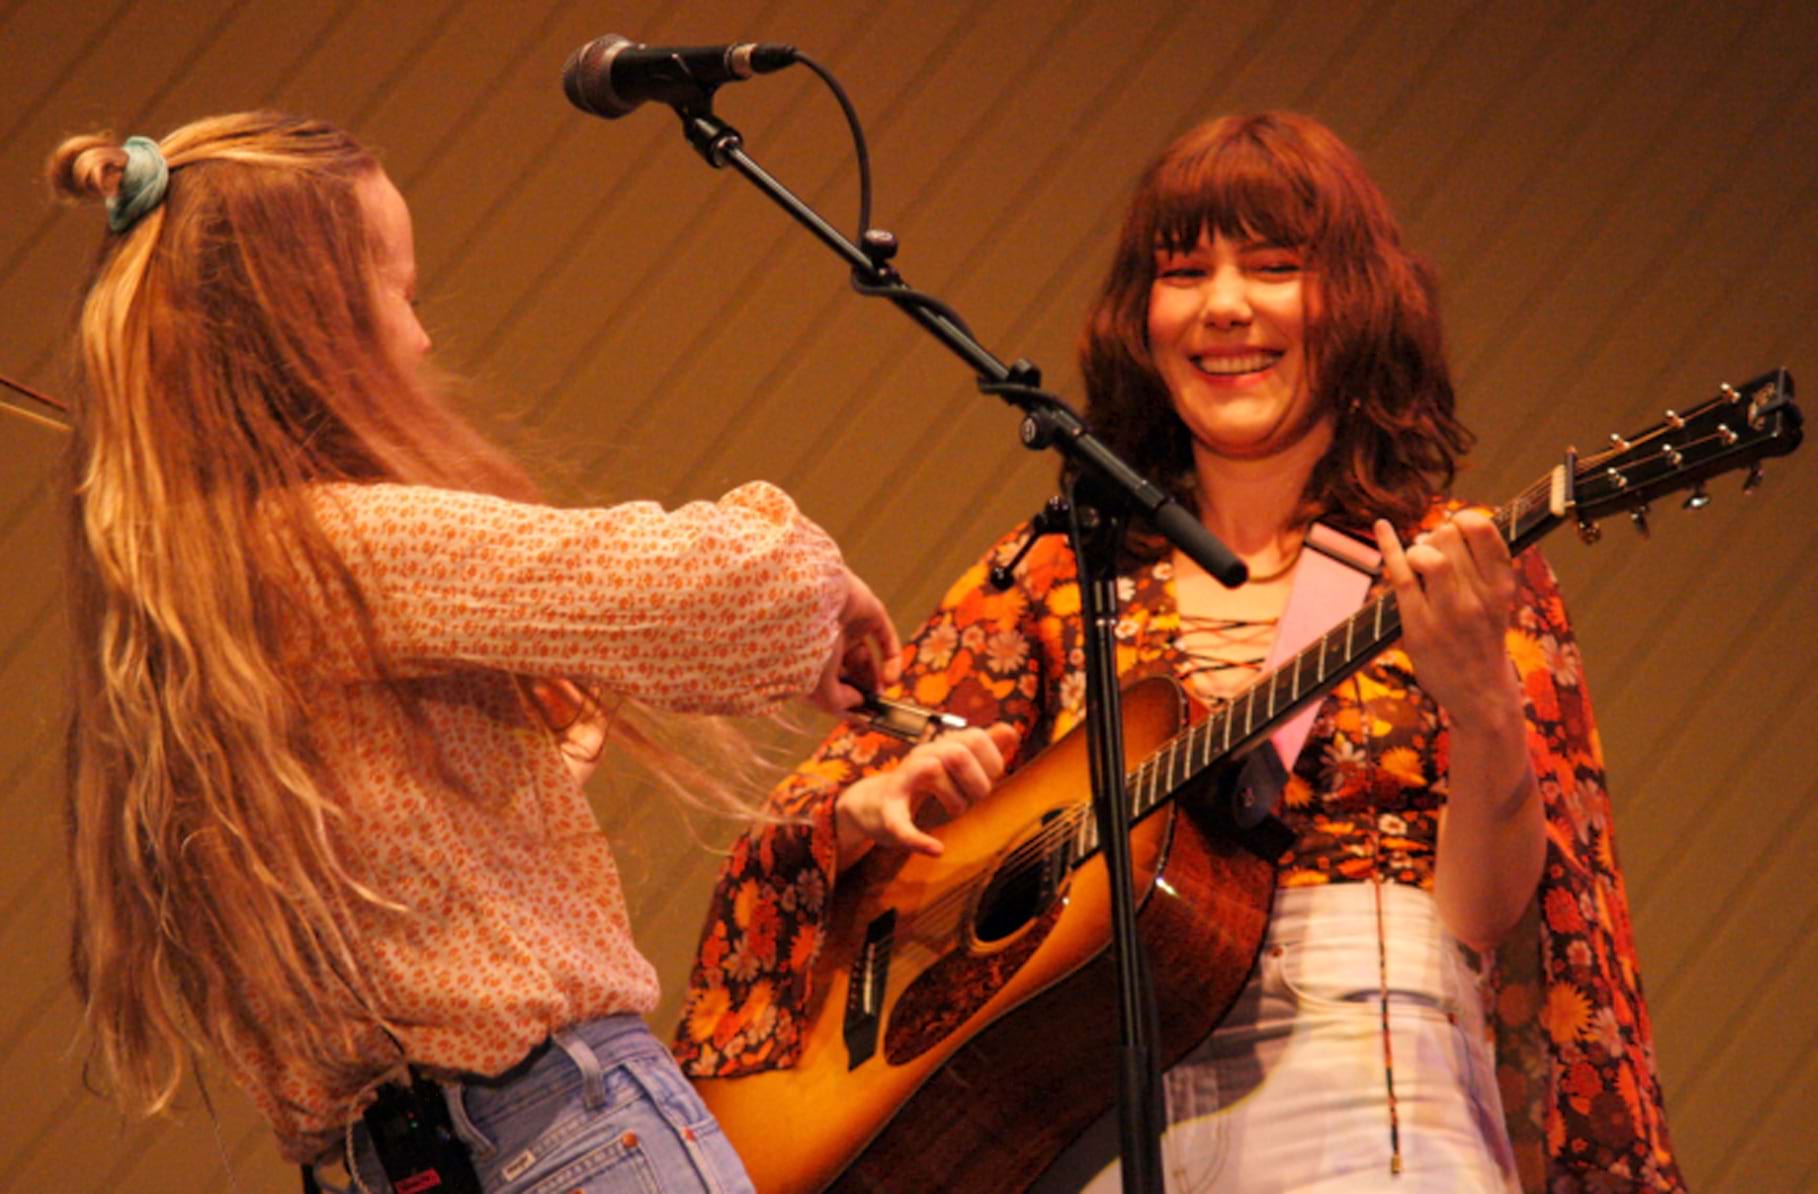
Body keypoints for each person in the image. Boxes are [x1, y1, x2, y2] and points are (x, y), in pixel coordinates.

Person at [674, 112, 1683, 1191]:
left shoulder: (1448, 566)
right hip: (1086, 1099)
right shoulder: (1062, 567)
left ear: (1358, 304)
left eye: (1277, 266)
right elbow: (839, 803)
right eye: (1184, 271)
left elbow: (1489, 919)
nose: (1226, 306)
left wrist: (1482, 704)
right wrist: (873, 816)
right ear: (1140, 318)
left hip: (1363, 1083)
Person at [52, 111, 903, 1193]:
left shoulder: (191, 593)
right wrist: (821, 586)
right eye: (400, 296)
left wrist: (523, 776)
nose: (419, 339)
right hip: (557, 1131)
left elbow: (395, 886)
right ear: (314, 326)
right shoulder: (338, 543)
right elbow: (742, 588)